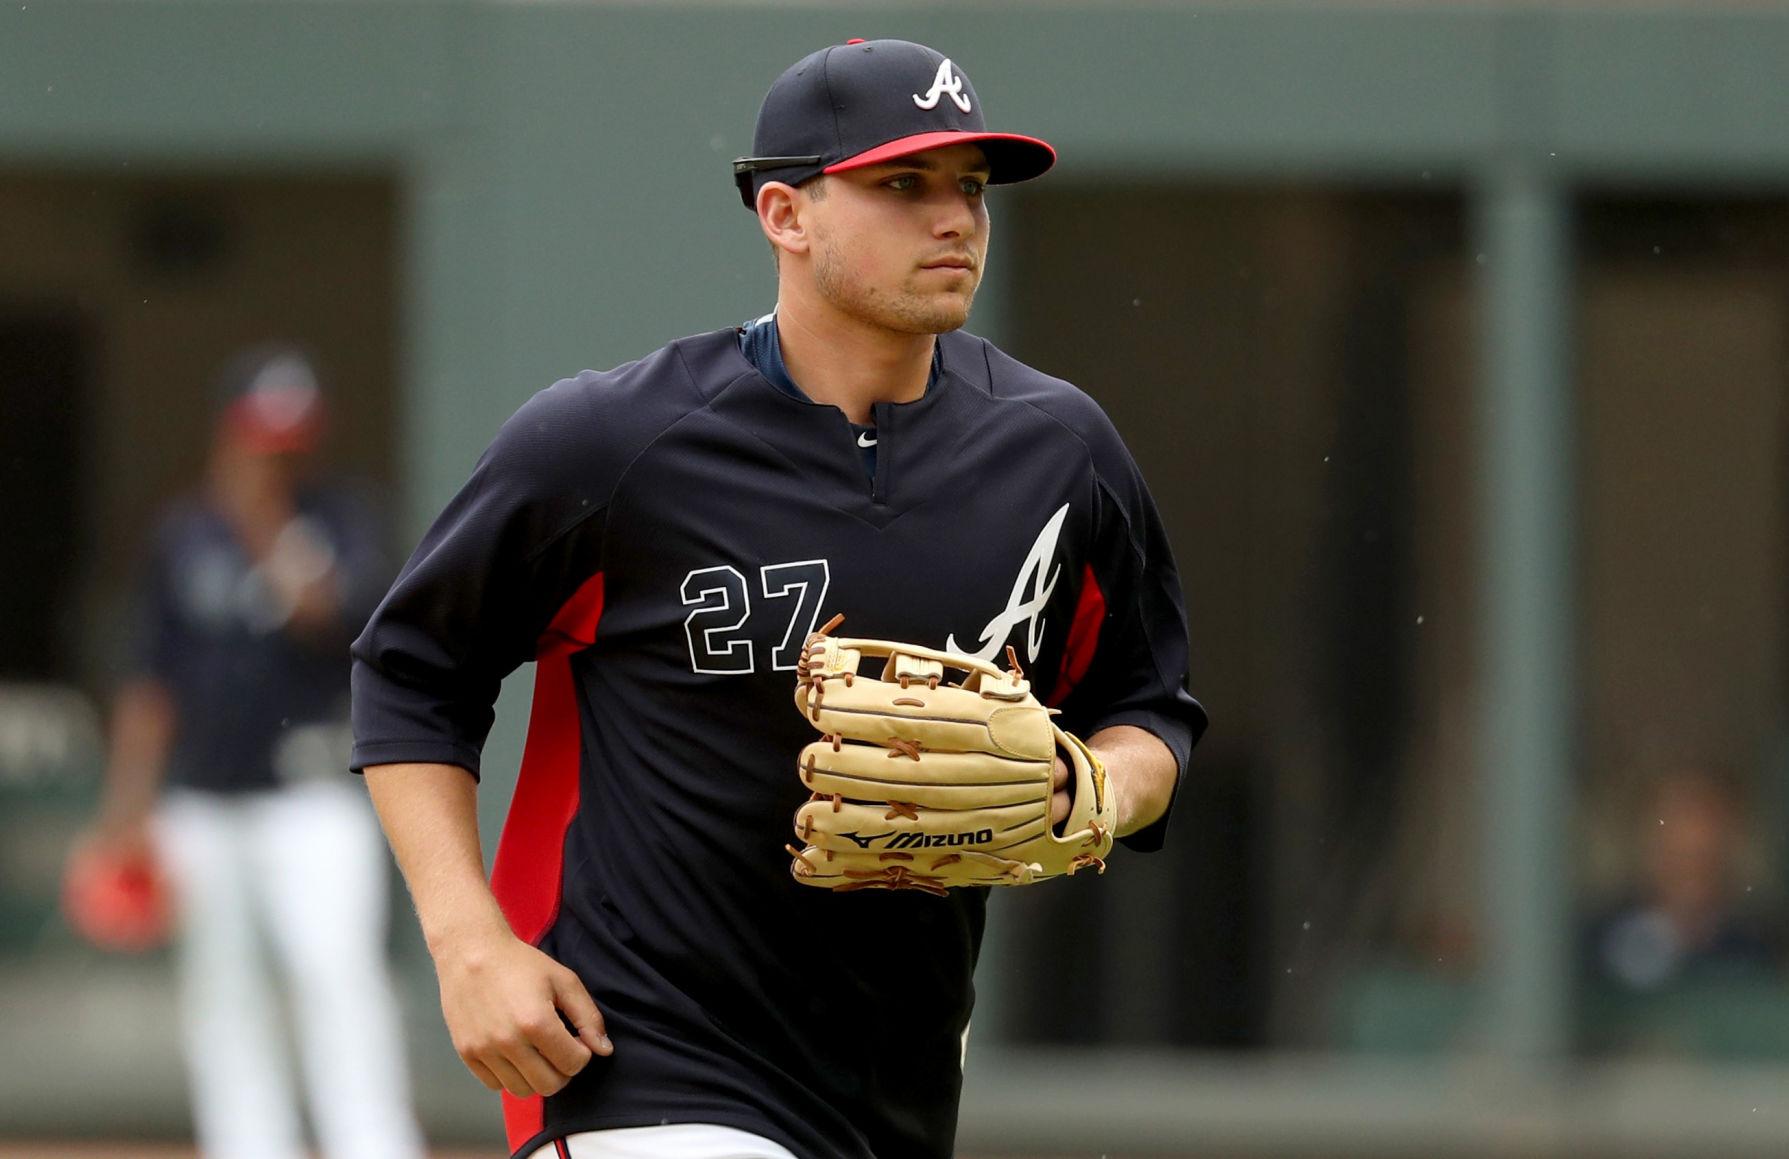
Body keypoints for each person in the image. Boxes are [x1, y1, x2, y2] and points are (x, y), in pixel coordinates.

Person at [352, 38, 1205, 1159]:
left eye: (970, 188)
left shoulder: (1058, 453)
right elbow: (414, 670)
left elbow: (1152, 707)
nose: (953, 219)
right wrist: (469, 943)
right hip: (636, 1060)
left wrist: (1095, 785)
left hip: (896, 1079)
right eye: (902, 185)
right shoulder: (615, 443)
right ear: (784, 214)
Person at [81, 345, 427, 1159]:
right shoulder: (180, 534)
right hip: (201, 800)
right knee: (222, 999)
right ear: (227, 431)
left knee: (337, 981)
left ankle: (372, 1147)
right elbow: (149, 682)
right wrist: (123, 813)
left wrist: (266, 523)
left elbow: (331, 620)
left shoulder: (339, 518)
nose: (275, 451)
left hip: (310, 798)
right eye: (261, 435)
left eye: (289, 437)